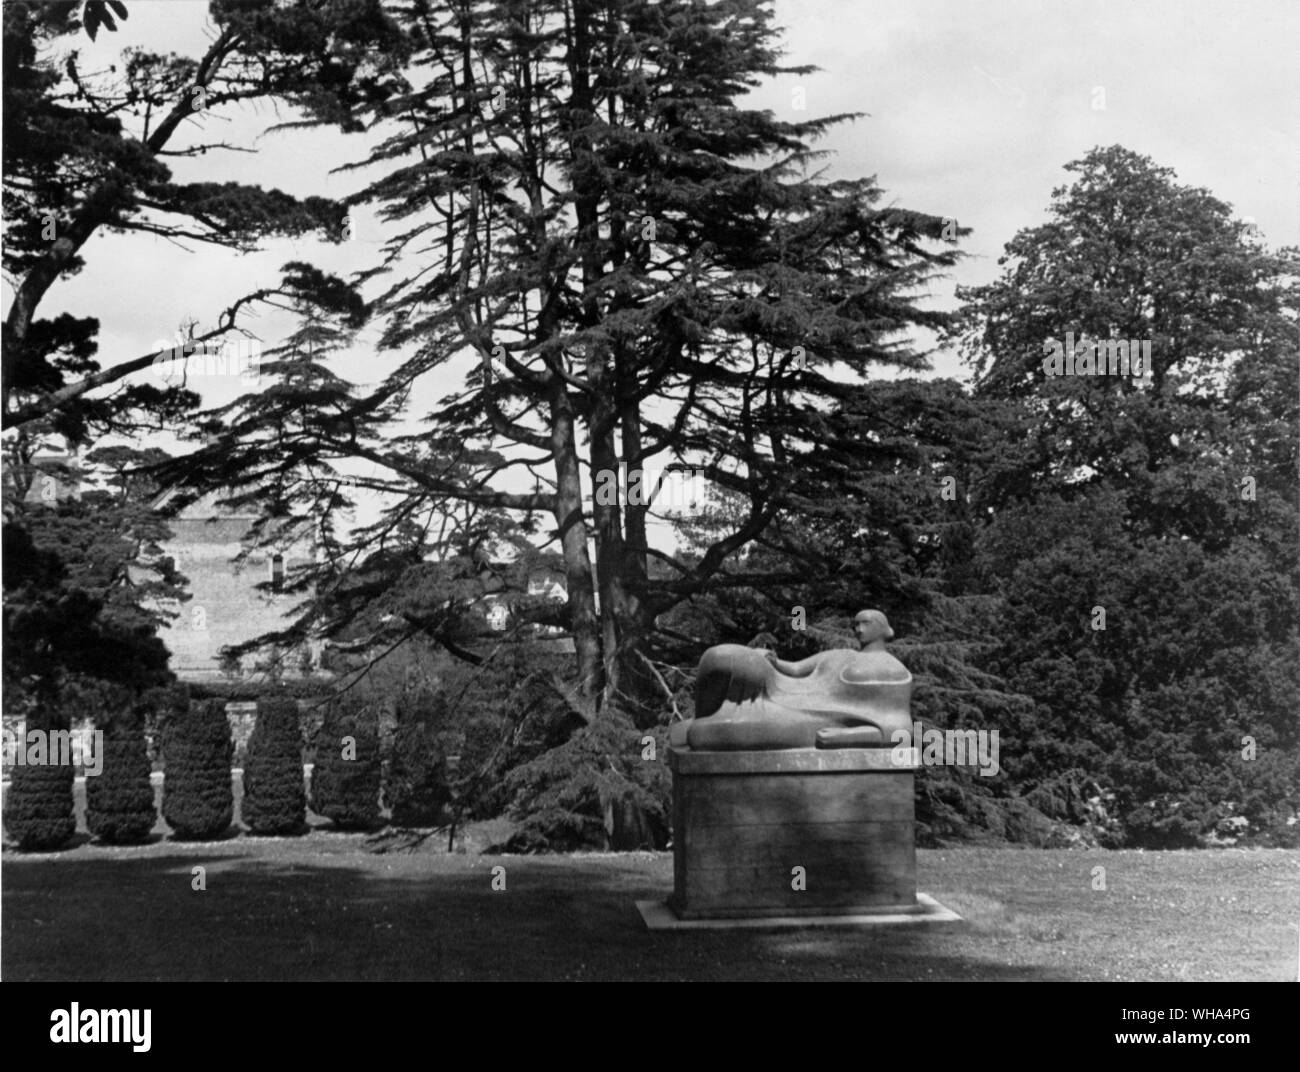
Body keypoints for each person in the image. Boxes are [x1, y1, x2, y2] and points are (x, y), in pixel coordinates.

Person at [672, 609, 913, 750]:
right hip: (779, 686)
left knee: (702, 736)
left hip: (810, 717)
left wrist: (846, 738)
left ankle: (705, 724)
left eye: (866, 624)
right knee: (719, 657)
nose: (858, 629)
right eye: (856, 624)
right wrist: (771, 660)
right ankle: (705, 716)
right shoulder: (842, 654)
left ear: (883, 629)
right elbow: (795, 669)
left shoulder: (893, 670)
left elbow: (900, 729)